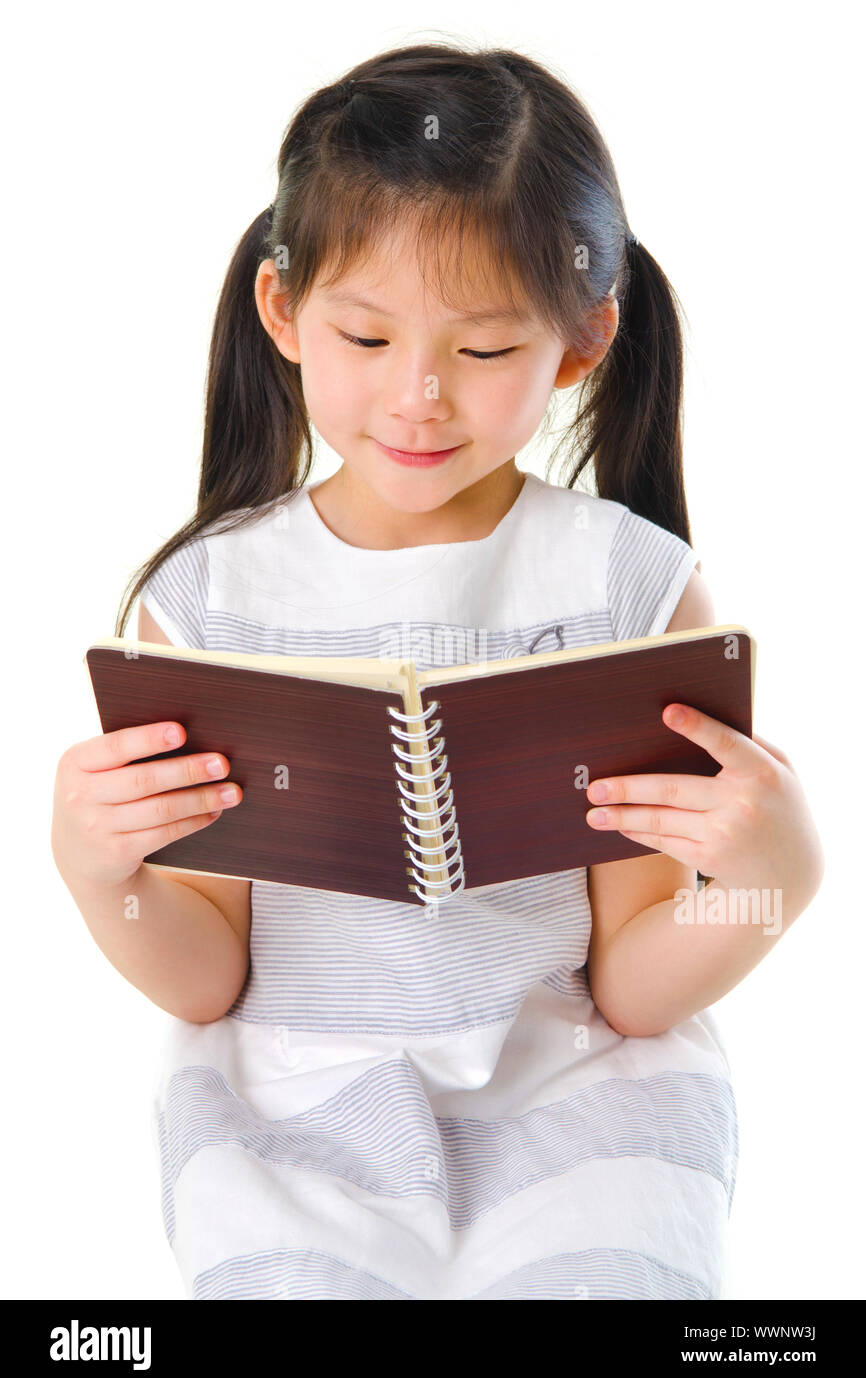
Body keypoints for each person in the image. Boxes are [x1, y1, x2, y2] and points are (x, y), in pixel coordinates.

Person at [51, 41, 824, 1300]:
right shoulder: (209, 602)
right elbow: (212, 976)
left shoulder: (624, 590)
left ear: (577, 347)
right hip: (296, 1111)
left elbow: (629, 987)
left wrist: (770, 886)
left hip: (574, 1098)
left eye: (480, 353)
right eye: (365, 335)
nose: (416, 399)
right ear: (284, 313)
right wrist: (97, 872)